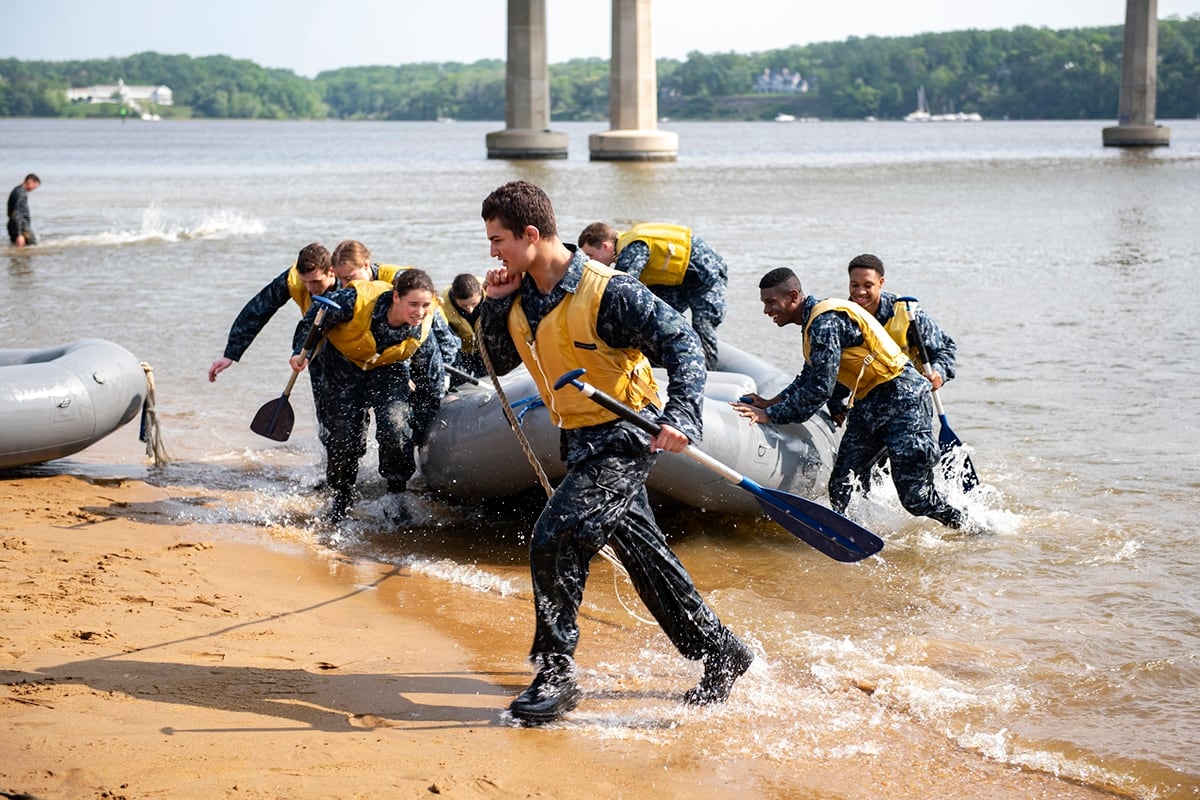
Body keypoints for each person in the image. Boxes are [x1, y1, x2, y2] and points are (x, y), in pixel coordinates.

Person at [479, 181, 752, 725]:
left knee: (556, 535)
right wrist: (494, 303)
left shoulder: (610, 291)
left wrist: (683, 417)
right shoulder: (521, 294)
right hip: (578, 437)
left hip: (626, 434)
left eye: (498, 240)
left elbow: (683, 342)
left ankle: (556, 672)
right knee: (647, 560)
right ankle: (720, 649)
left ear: (530, 234)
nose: (493, 252)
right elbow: (497, 357)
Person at [732, 267, 963, 529]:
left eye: (771, 302)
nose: (766, 310)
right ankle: (858, 536)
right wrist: (770, 402)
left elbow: (820, 389)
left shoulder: (825, 322)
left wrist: (771, 415)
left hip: (904, 402)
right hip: (870, 404)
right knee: (842, 484)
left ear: (793, 296)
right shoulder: (815, 322)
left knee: (916, 499)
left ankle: (970, 526)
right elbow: (810, 374)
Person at [291, 268, 458, 523]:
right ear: (396, 297)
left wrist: (421, 427)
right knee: (344, 436)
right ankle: (342, 496)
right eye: (413, 304)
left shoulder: (423, 328)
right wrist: (301, 351)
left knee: (396, 426)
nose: (420, 312)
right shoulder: (355, 300)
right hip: (344, 364)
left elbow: (430, 382)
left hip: (389, 368)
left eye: (425, 305)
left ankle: (396, 494)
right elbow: (316, 318)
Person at [577, 221, 728, 370]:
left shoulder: (632, 250)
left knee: (703, 325)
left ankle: (710, 372)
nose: (590, 261)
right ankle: (656, 365)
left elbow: (623, 288)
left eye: (590, 255)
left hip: (707, 274)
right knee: (658, 320)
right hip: (677, 281)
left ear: (605, 246)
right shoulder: (625, 245)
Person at [208, 242, 337, 383]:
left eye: (315, 281)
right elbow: (259, 309)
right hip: (314, 341)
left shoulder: (347, 283)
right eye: (304, 281)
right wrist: (231, 353)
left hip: (347, 343)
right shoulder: (293, 279)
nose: (310, 288)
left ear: (331, 271)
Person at [846, 253, 956, 391]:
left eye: (868, 285)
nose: (860, 292)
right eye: (854, 285)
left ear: (881, 283)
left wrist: (938, 373)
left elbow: (946, 347)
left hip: (909, 396)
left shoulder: (906, 312)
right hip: (864, 399)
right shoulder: (841, 318)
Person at [439, 273, 486, 385]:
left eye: (473, 303)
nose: (470, 310)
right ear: (455, 298)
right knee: (459, 381)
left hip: (485, 347)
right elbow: (444, 340)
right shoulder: (442, 304)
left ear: (480, 292)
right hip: (461, 350)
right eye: (464, 306)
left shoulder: (492, 291)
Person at [329, 239, 410, 287]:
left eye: (348, 278)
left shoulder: (399, 278)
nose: (344, 286)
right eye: (340, 279)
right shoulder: (339, 284)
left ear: (366, 265)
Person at [7, 174, 41, 247]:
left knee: (19, 249)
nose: (33, 189)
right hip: (21, 226)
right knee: (32, 246)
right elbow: (16, 212)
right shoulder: (20, 193)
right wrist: (19, 234)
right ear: (30, 181)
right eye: (34, 186)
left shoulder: (18, 190)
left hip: (14, 224)